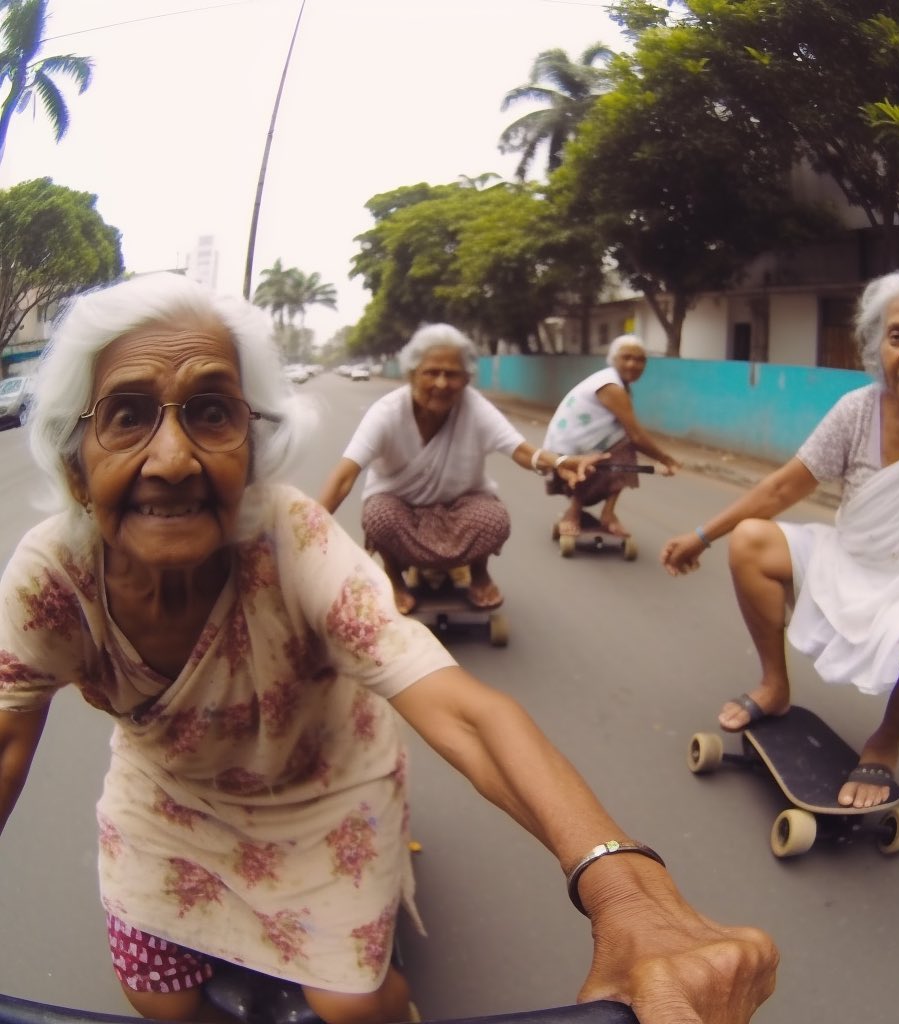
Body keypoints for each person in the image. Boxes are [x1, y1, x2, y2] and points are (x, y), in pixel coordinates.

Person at [0, 274, 778, 1024]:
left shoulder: (287, 534)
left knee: (357, 1005)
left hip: (323, 784)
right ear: (74, 456)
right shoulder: (52, 578)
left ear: (252, 446)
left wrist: (627, 889)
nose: (172, 461)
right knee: (159, 998)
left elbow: (462, 706)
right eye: (127, 417)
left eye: (211, 413)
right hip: (171, 801)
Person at [660, 266, 899, 809]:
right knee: (752, 541)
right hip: (843, 559)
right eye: (895, 336)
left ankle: (885, 742)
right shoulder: (857, 410)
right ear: (878, 347)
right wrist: (702, 534)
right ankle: (774, 685)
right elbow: (783, 487)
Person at [319, 323, 601, 615]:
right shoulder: (386, 412)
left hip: (460, 506)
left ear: (466, 379)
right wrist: (308, 527)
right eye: (432, 372)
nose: (442, 383)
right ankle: (393, 575)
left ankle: (479, 572)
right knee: (378, 515)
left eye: (452, 374)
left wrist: (558, 462)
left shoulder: (475, 407)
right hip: (401, 508)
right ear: (412, 374)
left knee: (493, 517)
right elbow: (344, 476)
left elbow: (519, 449)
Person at [542, 335, 682, 538]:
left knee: (622, 446)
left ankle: (608, 514)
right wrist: (667, 460)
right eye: (626, 357)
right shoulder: (611, 387)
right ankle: (573, 513)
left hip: (573, 449)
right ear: (613, 359)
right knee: (625, 445)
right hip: (564, 458)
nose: (633, 364)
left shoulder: (614, 382)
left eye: (640, 359)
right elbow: (636, 436)